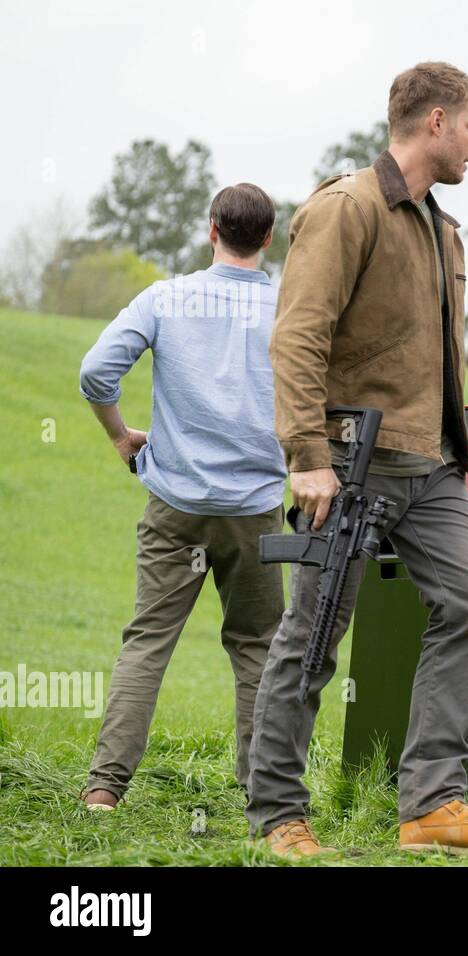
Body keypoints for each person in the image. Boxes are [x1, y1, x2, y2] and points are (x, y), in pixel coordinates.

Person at [244, 61, 468, 857]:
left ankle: (432, 804)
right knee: (312, 637)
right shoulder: (346, 208)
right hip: (351, 465)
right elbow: (298, 336)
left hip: (434, 464)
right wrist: (306, 455)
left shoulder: (441, 228)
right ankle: (277, 813)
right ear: (435, 122)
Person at [78, 184, 285, 810]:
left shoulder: (165, 298)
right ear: (270, 239)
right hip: (255, 510)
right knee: (256, 648)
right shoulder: (290, 305)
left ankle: (104, 791)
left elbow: (95, 372)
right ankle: (263, 799)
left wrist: (121, 437)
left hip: (175, 504)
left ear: (211, 230)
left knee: (148, 641)